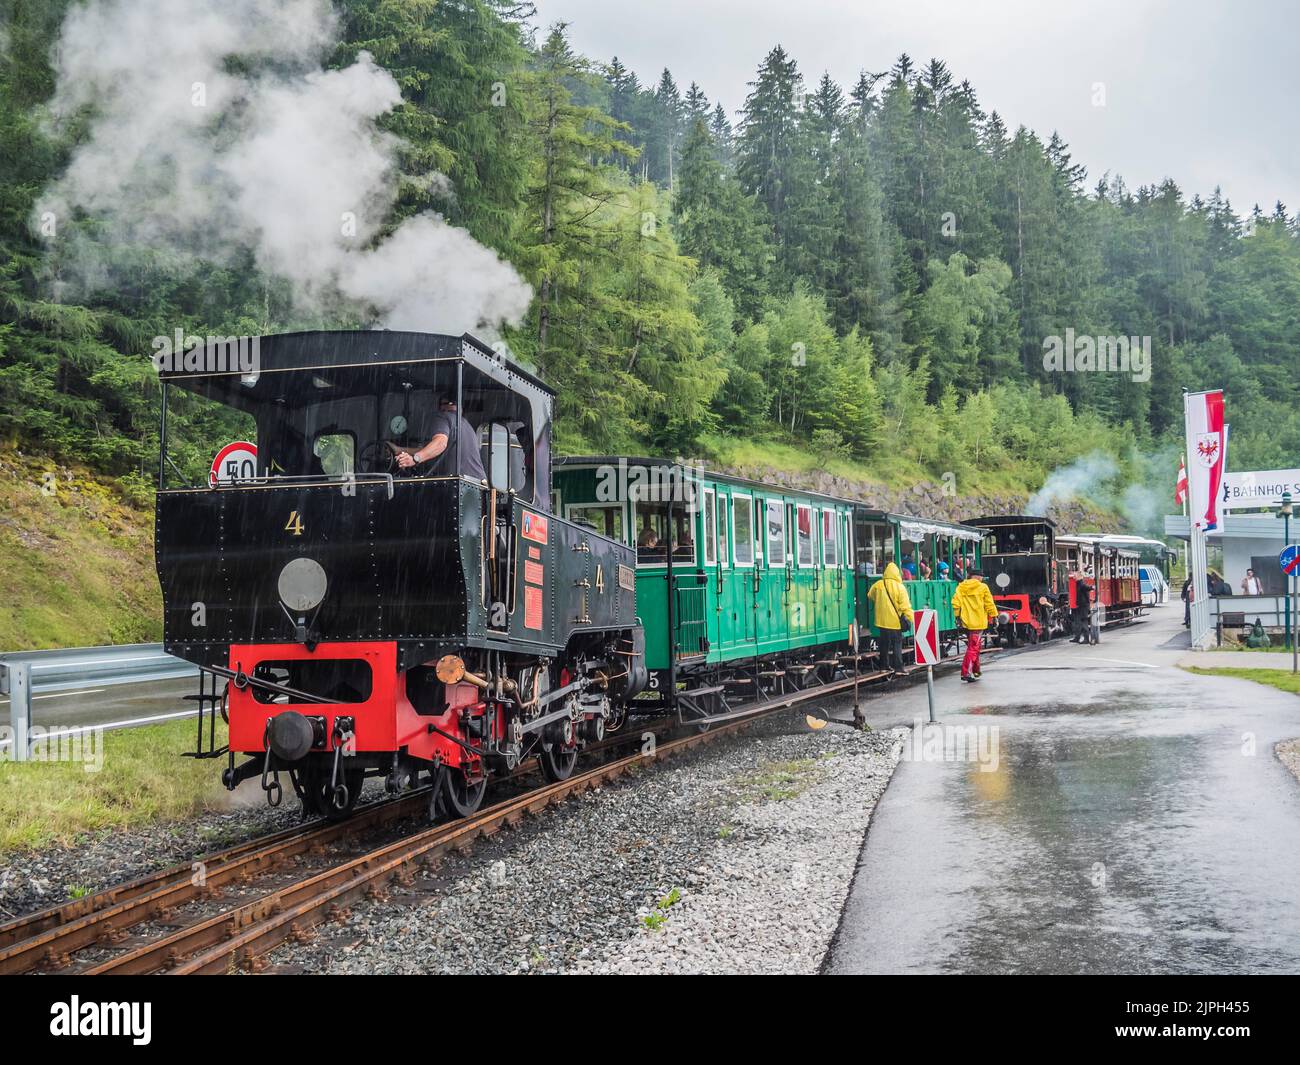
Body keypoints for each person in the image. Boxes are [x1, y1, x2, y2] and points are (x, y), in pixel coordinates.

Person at [393, 395, 487, 481]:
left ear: (442, 406)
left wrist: (414, 459)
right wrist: (399, 449)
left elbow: (440, 444)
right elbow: (429, 449)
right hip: (478, 484)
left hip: (462, 485)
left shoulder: (443, 416)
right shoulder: (467, 426)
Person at [867, 557, 914, 678]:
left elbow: (870, 595)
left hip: (882, 621)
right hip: (895, 622)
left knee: (884, 645)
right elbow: (905, 606)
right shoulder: (900, 587)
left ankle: (883, 667)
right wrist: (910, 618)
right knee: (897, 645)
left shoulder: (878, 585)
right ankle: (898, 668)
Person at [952, 568, 998, 682]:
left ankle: (976, 670)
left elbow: (956, 603)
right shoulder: (983, 587)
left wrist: (957, 618)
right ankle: (966, 673)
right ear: (978, 577)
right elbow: (989, 604)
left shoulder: (961, 587)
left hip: (966, 622)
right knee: (973, 648)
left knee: (974, 647)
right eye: (981, 577)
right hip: (978, 623)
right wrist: (994, 616)